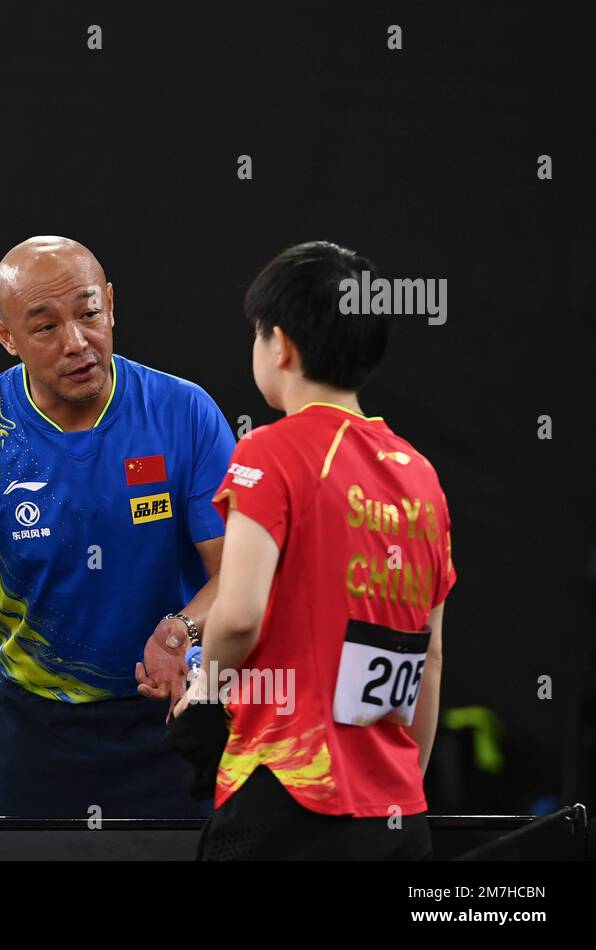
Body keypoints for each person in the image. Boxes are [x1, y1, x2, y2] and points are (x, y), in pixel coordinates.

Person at [0, 235, 236, 817]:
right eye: (44, 328)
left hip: (171, 718)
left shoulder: (184, 412)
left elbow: (235, 576)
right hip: (33, 734)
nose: (77, 342)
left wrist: (180, 630)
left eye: (89, 314)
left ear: (110, 304)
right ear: (6, 337)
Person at [167, 241, 455, 859]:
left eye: (256, 333)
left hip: (284, 805)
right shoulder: (421, 477)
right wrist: (402, 789)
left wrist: (205, 691)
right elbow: (427, 658)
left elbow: (239, 614)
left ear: (282, 346)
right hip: (394, 819)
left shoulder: (270, 453)